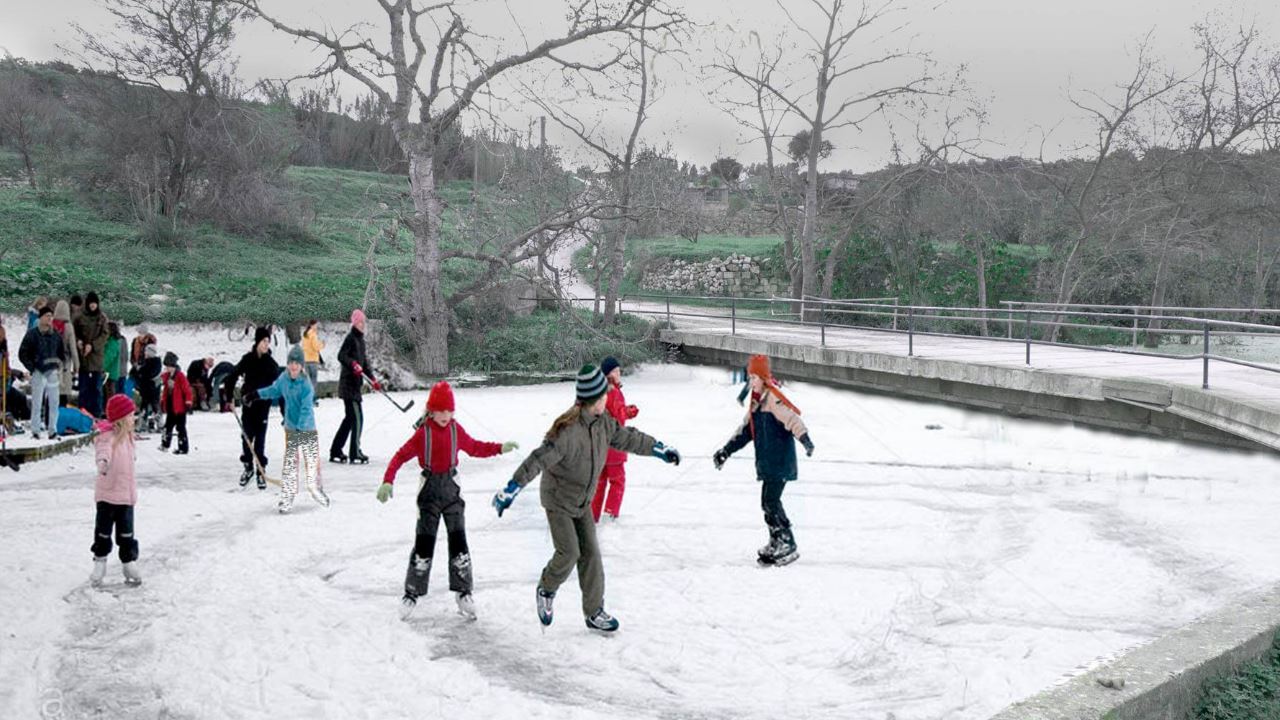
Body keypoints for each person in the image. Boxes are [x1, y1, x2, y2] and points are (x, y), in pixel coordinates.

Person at [491, 364, 682, 632]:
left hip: (582, 500)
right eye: (604, 395)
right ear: (595, 400)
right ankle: (546, 589)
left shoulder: (604, 424)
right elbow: (539, 458)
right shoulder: (567, 431)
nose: (608, 398)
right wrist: (513, 486)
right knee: (569, 552)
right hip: (558, 500)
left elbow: (629, 438)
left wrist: (658, 448)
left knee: (591, 555)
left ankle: (594, 612)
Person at [378, 381, 518, 621]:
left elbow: (474, 447)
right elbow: (400, 456)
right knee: (424, 545)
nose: (444, 415)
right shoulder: (423, 434)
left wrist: (499, 448)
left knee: (459, 544)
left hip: (452, 492)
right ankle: (412, 593)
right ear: (431, 411)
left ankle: (464, 592)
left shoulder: (456, 430)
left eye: (448, 410)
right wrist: (388, 480)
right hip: (429, 494)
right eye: (439, 410)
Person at [712, 354, 815, 567]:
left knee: (771, 501)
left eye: (755, 378)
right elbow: (744, 433)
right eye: (750, 378)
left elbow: (792, 419)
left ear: (764, 378)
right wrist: (725, 451)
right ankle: (776, 540)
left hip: (780, 462)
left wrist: (805, 439)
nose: (752, 383)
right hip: (768, 464)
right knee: (767, 502)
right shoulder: (756, 405)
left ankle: (787, 542)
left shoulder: (772, 399)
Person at [245, 345, 330, 513]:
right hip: (291, 427)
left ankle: (317, 488)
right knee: (291, 463)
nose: (293, 366)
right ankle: (287, 496)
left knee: (311, 462)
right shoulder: (283, 379)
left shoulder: (306, 385)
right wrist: (255, 394)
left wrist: (300, 428)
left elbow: (306, 410)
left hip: (307, 429)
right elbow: (273, 390)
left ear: (301, 366)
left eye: (296, 363)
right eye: (291, 363)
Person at [90, 394, 142, 587]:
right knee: (103, 533)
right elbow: (103, 451)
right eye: (130, 416)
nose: (133, 419)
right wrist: (102, 462)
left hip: (126, 498)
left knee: (126, 535)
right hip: (108, 496)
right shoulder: (107, 437)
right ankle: (100, 563)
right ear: (120, 419)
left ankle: (128, 563)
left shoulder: (129, 438)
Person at [224, 327, 281, 489]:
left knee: (260, 440)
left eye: (268, 341)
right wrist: (230, 398)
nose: (266, 344)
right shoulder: (248, 359)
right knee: (247, 437)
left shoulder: (271, 364)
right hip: (248, 404)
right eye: (264, 341)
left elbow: (279, 386)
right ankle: (248, 466)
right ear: (257, 342)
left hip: (262, 406)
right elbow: (232, 376)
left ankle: (260, 470)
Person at [590, 356, 640, 522]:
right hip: (614, 444)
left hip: (599, 444)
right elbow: (618, 415)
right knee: (617, 480)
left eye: (619, 371)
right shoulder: (613, 392)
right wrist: (630, 411)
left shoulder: (598, 390)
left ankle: (593, 515)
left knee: (600, 481)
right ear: (609, 373)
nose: (619, 373)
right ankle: (610, 512)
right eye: (616, 371)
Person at [330, 309, 379, 464]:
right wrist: (352, 364)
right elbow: (341, 355)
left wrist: (373, 380)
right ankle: (354, 451)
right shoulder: (350, 338)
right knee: (357, 418)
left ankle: (336, 450)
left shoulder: (361, 341)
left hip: (356, 386)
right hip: (348, 385)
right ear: (354, 323)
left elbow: (364, 364)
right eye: (360, 322)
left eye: (363, 322)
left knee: (350, 419)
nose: (363, 325)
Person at [18, 307, 67, 440]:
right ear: (40, 317)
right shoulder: (32, 334)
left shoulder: (56, 335)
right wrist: (31, 367)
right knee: (37, 401)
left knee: (54, 402)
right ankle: (35, 430)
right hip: (38, 371)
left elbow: (62, 353)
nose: (49, 318)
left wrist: (59, 365)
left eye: (51, 316)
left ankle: (52, 430)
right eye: (46, 316)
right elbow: (22, 353)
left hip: (52, 371)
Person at [74, 291, 110, 418]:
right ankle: (82, 412)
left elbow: (105, 335)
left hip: (96, 358)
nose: (93, 306)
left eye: (95, 303)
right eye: (91, 303)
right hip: (83, 358)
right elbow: (75, 332)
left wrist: (93, 345)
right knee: (83, 388)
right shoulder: (80, 317)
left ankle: (97, 413)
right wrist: (79, 341)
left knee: (97, 389)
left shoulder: (102, 318)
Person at [159, 352, 192, 454]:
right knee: (167, 427)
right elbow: (163, 385)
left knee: (180, 428)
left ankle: (183, 447)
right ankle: (165, 444)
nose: (167, 368)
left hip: (180, 408)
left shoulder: (180, 376)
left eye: (168, 366)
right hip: (170, 406)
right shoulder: (167, 376)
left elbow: (187, 390)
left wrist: (188, 403)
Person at [52, 300, 79, 410]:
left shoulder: (50, 324)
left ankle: (49, 417)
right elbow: (73, 347)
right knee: (63, 391)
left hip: (51, 361)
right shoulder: (69, 326)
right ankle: (61, 414)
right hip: (65, 362)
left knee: (51, 390)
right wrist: (77, 365)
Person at [134, 345, 163, 432]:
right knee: (144, 406)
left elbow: (150, 374)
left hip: (153, 389)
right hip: (145, 389)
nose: (145, 353)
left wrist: (141, 371)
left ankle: (159, 424)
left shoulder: (156, 362)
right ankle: (143, 423)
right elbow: (138, 374)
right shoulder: (145, 362)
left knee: (155, 406)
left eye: (147, 352)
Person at [302, 319, 324, 405]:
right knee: (313, 381)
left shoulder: (305, 335)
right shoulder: (313, 334)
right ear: (312, 325)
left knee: (307, 381)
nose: (317, 327)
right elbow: (316, 347)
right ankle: (312, 399)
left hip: (306, 360)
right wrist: (322, 345)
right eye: (316, 325)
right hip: (313, 360)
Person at [102, 322, 127, 401]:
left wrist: (100, 367)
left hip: (110, 374)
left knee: (109, 395)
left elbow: (108, 358)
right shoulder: (111, 341)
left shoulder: (112, 343)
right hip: (109, 373)